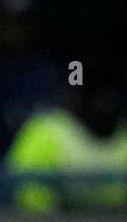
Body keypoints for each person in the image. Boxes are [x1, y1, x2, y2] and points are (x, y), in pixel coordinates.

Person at [7, 68, 127, 213]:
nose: (105, 105)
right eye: (96, 96)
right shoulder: (45, 131)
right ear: (76, 97)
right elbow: (29, 196)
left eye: (111, 97)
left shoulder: (122, 134)